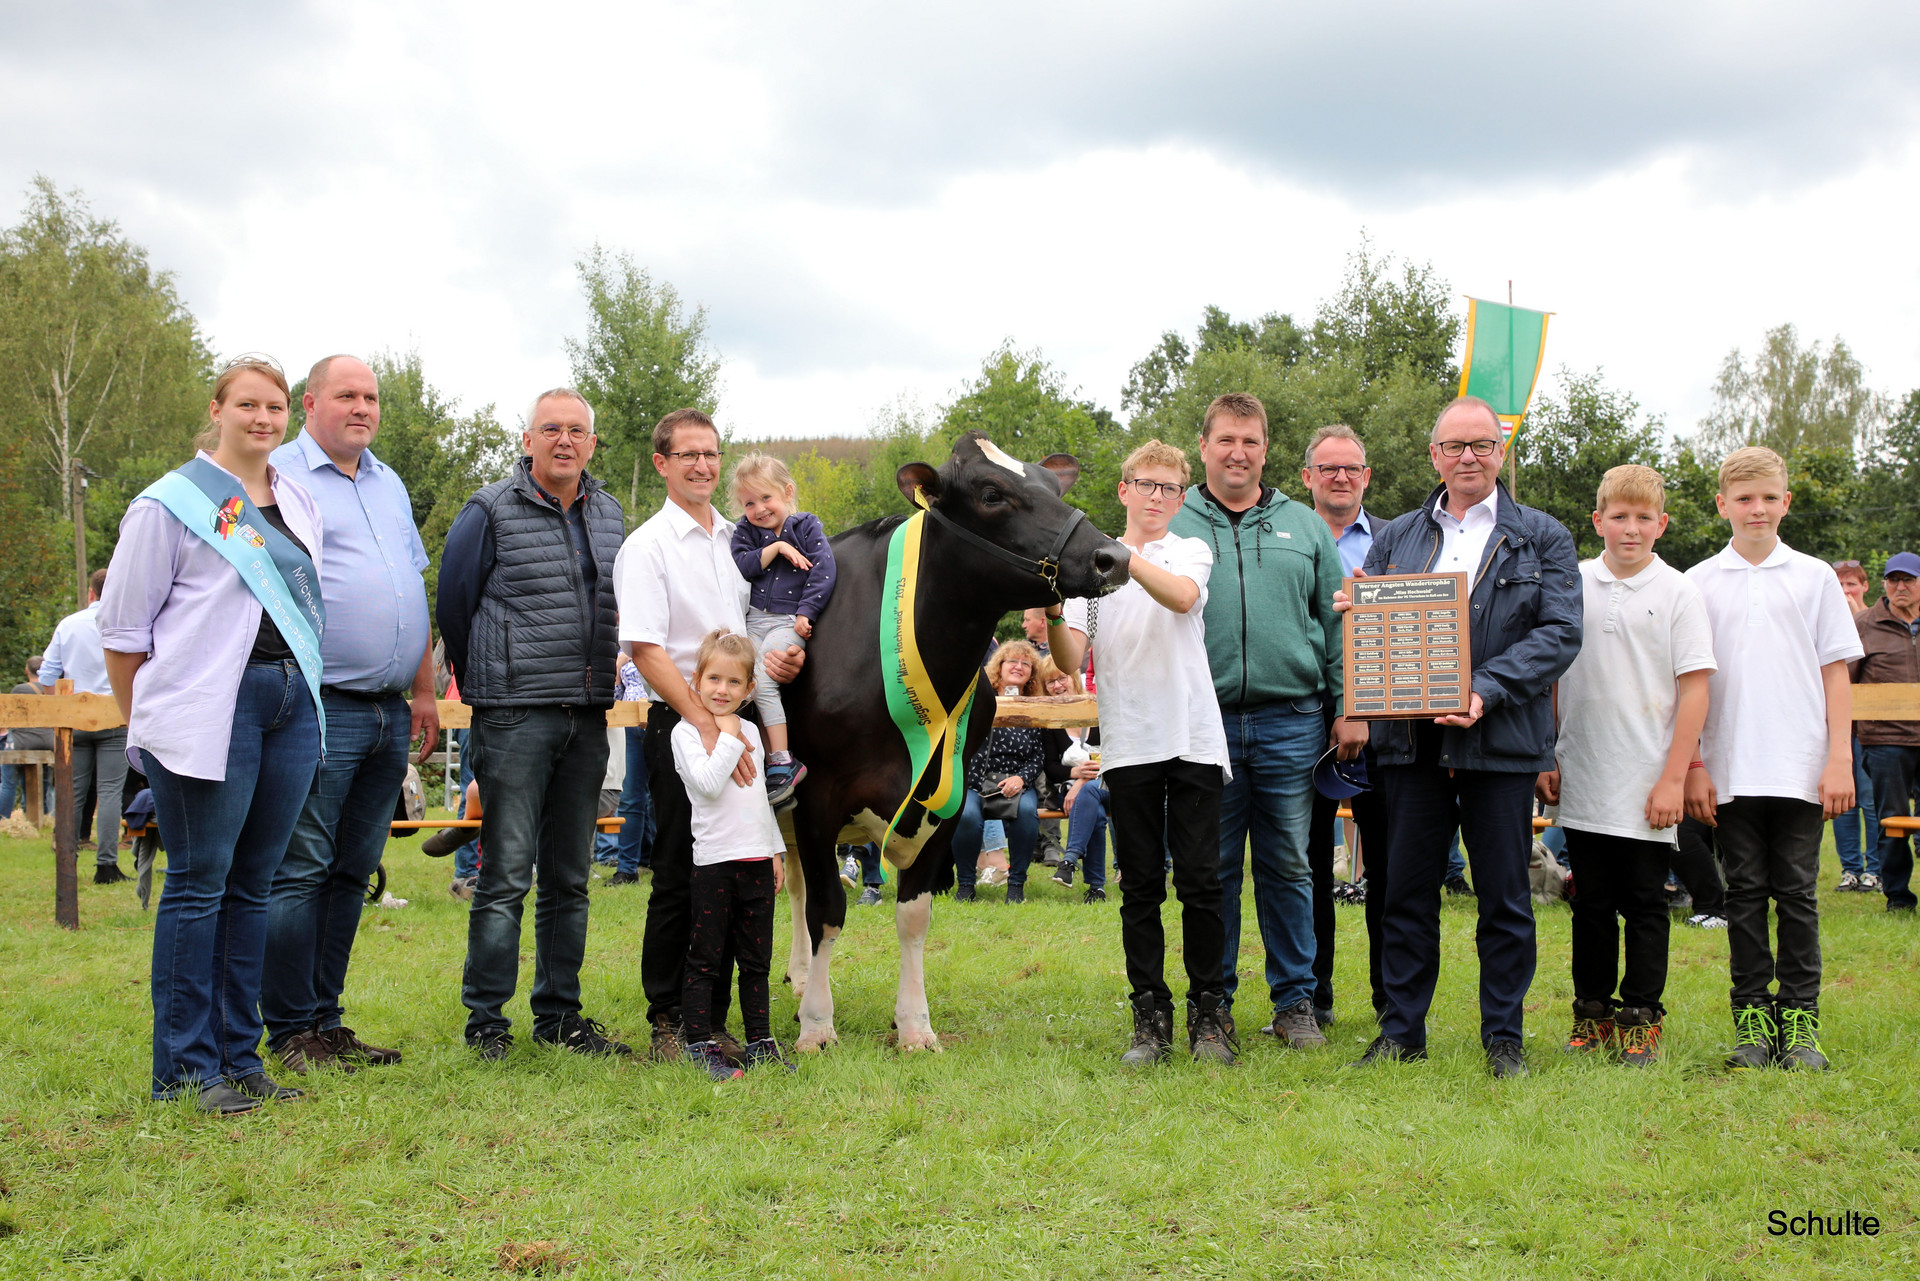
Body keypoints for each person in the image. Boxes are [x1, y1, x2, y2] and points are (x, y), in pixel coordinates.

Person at [99, 355, 325, 1114]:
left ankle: (241, 1056)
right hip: (210, 708)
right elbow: (124, 631)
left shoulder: (296, 499)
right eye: (249, 405)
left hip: (291, 699)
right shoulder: (170, 504)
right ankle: (186, 1070)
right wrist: (154, 724)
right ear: (218, 408)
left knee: (252, 887)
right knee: (199, 885)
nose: (264, 420)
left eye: (276, 408)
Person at [1344, 395, 1582, 1078]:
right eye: (1455, 446)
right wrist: (1359, 611)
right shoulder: (1397, 537)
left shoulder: (1542, 535)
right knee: (1405, 892)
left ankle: (1503, 1038)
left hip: (1500, 741)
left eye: (1481, 444)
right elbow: (1380, 631)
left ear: (1500, 451)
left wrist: (1485, 689)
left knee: (1504, 894)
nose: (1468, 457)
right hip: (1411, 746)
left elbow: (1560, 633)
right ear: (1435, 455)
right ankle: (1402, 1031)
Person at [437, 387, 629, 1060]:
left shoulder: (610, 514)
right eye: (551, 428)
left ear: (592, 443)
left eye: (577, 430)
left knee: (571, 875)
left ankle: (558, 1013)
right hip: (514, 714)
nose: (564, 440)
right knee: (507, 873)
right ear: (527, 439)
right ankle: (486, 1020)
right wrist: (494, 680)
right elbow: (454, 606)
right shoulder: (490, 509)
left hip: (587, 715)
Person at [261, 354, 438, 1075]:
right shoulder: (278, 476)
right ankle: (288, 1029)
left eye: (370, 397)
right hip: (316, 698)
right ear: (309, 404)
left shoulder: (389, 482)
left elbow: (409, 589)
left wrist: (424, 688)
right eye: (346, 395)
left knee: (353, 867)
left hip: (389, 708)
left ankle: (326, 1020)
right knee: (300, 867)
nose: (361, 407)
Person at [615, 408, 805, 1063]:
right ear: (662, 461)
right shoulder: (647, 546)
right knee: (678, 871)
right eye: (688, 453)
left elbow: (749, 627)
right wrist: (705, 719)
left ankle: (714, 1017)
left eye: (711, 453)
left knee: (733, 868)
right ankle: (669, 1016)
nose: (702, 464)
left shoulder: (735, 538)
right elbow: (644, 647)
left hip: (739, 718)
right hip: (685, 717)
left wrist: (774, 661)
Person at [1167, 393, 1345, 1051]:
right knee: (1208, 870)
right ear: (1205, 446)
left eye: (1251, 440)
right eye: (1226, 440)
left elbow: (1336, 623)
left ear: (1266, 448)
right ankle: (1212, 1007)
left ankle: (1296, 1002)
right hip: (1201, 722)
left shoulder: (1305, 524)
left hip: (1292, 720)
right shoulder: (1173, 522)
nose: (1238, 452)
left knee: (1291, 865)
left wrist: (1346, 705)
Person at [1050, 440, 1235, 1066]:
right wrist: (1054, 604)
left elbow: (1182, 598)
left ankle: (1211, 1013)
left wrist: (1118, 557)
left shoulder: (1188, 550)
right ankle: (1149, 1017)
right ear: (1124, 488)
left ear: (1181, 499)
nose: (1157, 497)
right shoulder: (1090, 563)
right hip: (1128, 743)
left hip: (1193, 739)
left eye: (1169, 489)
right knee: (1140, 888)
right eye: (1145, 484)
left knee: (1203, 883)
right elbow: (1071, 659)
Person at [1686, 446, 1863, 1071]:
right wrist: (1695, 765)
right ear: (1722, 506)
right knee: (1744, 894)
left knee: (1796, 893)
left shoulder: (1813, 576)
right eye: (1743, 499)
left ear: (1785, 502)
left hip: (1799, 764)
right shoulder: (1699, 582)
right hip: (1729, 765)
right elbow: (1689, 681)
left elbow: (1836, 673)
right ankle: (1753, 1024)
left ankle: (1801, 1024)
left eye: (1768, 497)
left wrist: (1838, 757)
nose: (1756, 509)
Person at [1535, 465, 1716, 1067]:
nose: (1631, 528)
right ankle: (1592, 1011)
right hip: (1582, 768)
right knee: (1589, 900)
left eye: (1643, 518)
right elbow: (1551, 674)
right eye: (1619, 516)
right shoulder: (1573, 582)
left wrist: (1675, 774)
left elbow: (1694, 690)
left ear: (1662, 523)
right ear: (1598, 521)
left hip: (1647, 779)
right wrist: (1547, 752)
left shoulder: (1679, 591)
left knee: (1644, 901)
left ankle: (1641, 1015)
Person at [1298, 423, 1392, 1024]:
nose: (1339, 477)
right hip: (1306, 720)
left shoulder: (1402, 542)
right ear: (1307, 478)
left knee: (1389, 864)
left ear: (1366, 477)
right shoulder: (1287, 539)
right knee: (1305, 865)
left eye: (1350, 468)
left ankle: (1394, 1001)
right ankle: (1313, 999)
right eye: (1327, 468)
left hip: (1384, 722)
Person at [671, 630, 794, 1080]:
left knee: (756, 961)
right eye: (714, 680)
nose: (722, 691)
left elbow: (758, 795)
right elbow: (706, 783)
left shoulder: (751, 733)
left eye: (733, 683)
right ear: (697, 679)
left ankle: (761, 1040)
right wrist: (727, 737)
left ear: (749, 689)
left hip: (757, 862)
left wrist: (776, 850)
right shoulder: (686, 733)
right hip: (716, 864)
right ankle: (700, 1044)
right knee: (705, 956)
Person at [729, 453, 836, 806]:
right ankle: (749, 752)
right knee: (737, 674)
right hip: (752, 620)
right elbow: (743, 565)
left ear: (787, 492)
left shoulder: (806, 526)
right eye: (749, 502)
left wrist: (808, 612)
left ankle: (781, 759)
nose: (759, 509)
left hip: (787, 621)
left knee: (761, 672)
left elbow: (824, 570)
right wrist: (775, 547)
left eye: (766, 498)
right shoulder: (746, 532)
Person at [41, 572, 132, 882]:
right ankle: (106, 865)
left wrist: (58, 712)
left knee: (72, 791)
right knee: (110, 793)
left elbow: (47, 676)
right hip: (114, 714)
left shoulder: (69, 624)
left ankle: (66, 856)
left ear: (91, 594)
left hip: (73, 716)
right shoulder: (127, 621)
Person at [951, 642, 1047, 903]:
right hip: (975, 781)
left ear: (1031, 673)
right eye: (1012, 661)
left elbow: (1039, 754)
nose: (1018, 667)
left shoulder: (1033, 706)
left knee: (1027, 814)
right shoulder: (977, 699)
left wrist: (1021, 778)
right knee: (967, 815)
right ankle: (966, 884)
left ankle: (1016, 884)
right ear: (999, 666)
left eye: (1025, 664)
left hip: (1016, 782)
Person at [1851, 551, 1920, 914]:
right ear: (1883, 585)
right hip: (1885, 741)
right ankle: (1898, 896)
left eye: (1908, 579)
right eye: (1893, 580)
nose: (1900, 586)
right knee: (1891, 820)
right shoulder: (1864, 624)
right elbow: (1845, 683)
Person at [1830, 558, 1879, 891]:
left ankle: (1874, 869)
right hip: (1841, 727)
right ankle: (1850, 869)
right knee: (1844, 803)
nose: (1845, 590)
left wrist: (1855, 617)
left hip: (1874, 727)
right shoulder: (1829, 622)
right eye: (1839, 585)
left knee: (1871, 800)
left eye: (1851, 584)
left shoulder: (1878, 622)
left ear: (1865, 587)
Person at [607, 649, 656, 886]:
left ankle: (660, 861)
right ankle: (627, 869)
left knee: (659, 797)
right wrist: (617, 668)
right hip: (629, 723)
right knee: (630, 798)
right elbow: (615, 695)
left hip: (659, 718)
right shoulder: (622, 649)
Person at [0, 659, 56, 821]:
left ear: (26, 671)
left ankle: (2, 819)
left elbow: (8, 716)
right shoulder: (51, 691)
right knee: (43, 781)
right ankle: (42, 817)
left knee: (8, 783)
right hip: (47, 742)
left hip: (20, 742)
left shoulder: (20, 689)